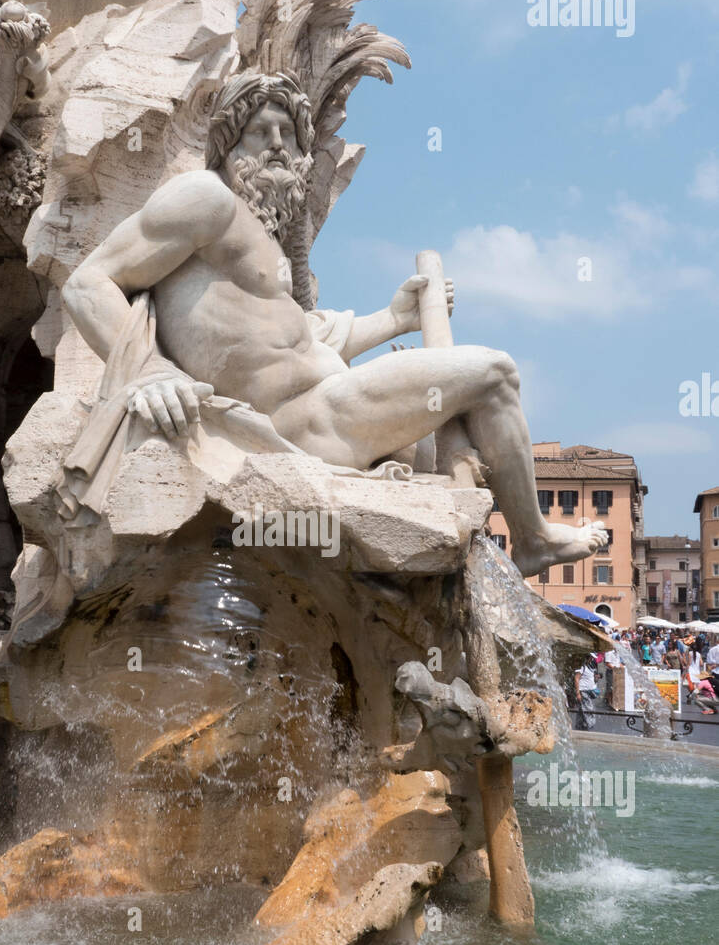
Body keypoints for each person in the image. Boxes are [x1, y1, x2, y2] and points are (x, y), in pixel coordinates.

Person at [62, 70, 609, 574]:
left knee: (462, 422)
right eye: (261, 131)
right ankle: (532, 538)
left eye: (289, 135)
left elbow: (303, 339)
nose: (279, 144)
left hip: (335, 406)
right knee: (495, 372)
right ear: (228, 147)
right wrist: (151, 372)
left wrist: (393, 319)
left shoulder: (261, 238)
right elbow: (87, 284)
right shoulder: (205, 200)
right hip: (310, 423)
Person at [574, 656, 599, 729]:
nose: (591, 659)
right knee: (589, 709)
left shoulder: (588, 666)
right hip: (583, 691)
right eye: (590, 658)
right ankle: (589, 724)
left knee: (582, 709)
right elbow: (576, 679)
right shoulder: (581, 667)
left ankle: (580, 725)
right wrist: (578, 693)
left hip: (587, 691)